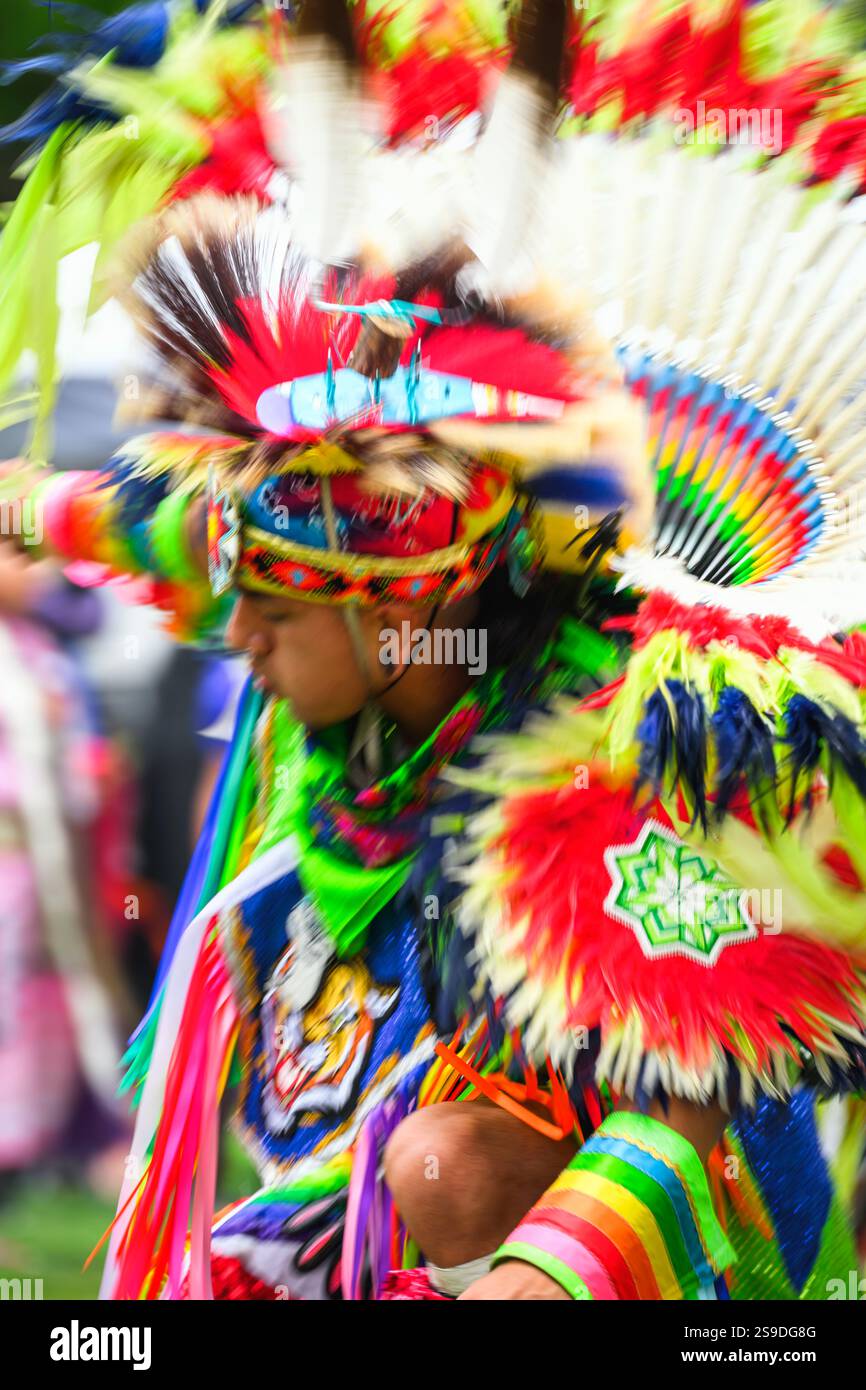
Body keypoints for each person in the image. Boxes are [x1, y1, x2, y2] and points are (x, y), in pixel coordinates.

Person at [2, 0, 866, 1302]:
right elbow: (138, 520)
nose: (239, 637)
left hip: (675, 1211)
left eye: (275, 616)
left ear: (385, 610)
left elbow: (700, 1098)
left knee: (441, 1168)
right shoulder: (313, 573)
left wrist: (541, 1274)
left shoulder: (619, 749)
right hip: (424, 1141)